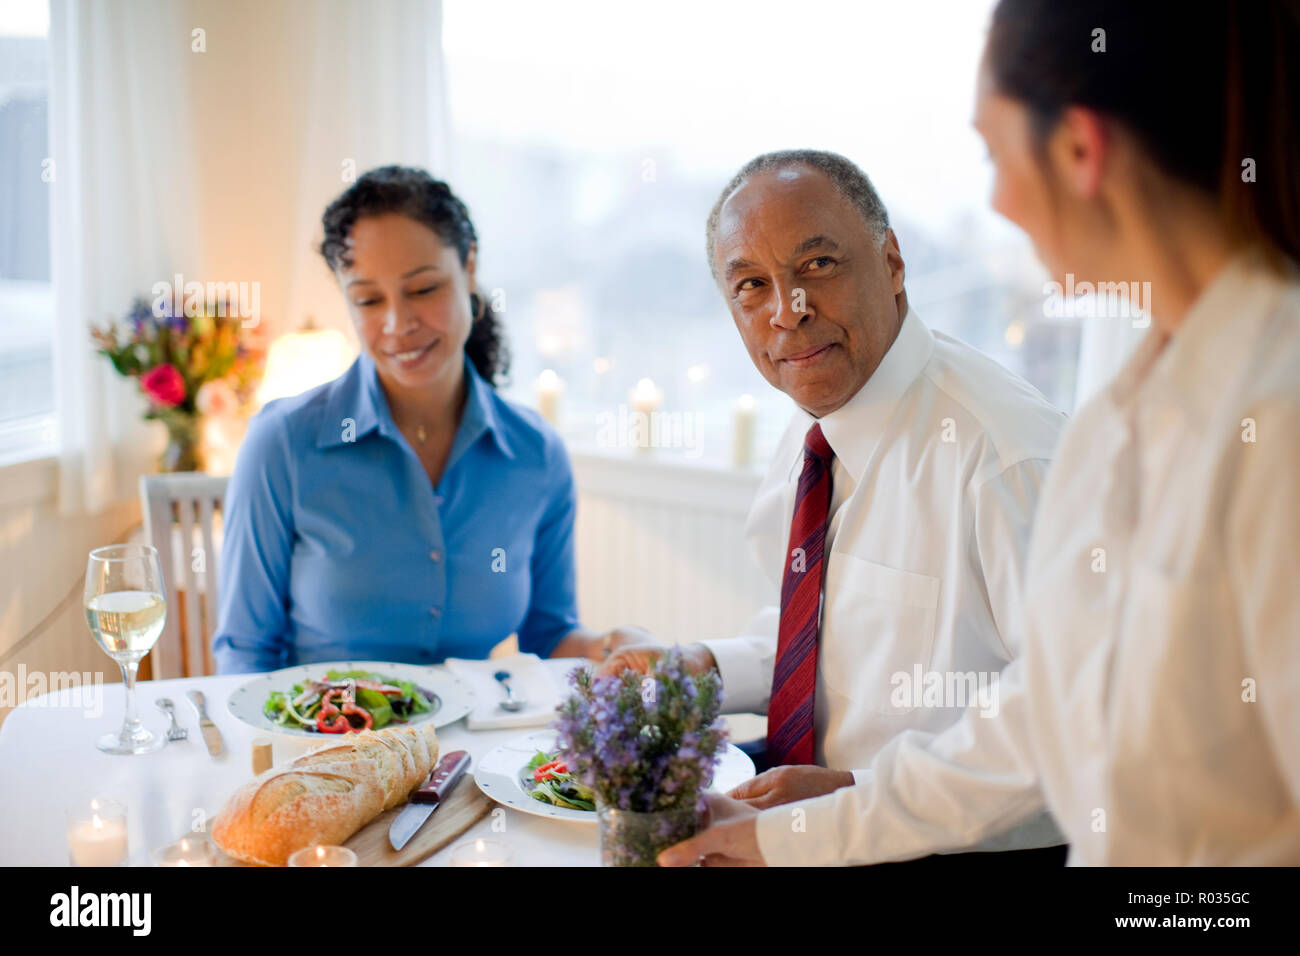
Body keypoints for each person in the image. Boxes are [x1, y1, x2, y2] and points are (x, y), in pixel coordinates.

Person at [660, 0, 1300, 866]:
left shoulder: (1261, 417)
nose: (996, 202)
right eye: (751, 286)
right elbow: (1048, 712)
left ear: (1080, 149)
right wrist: (788, 831)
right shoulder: (1140, 404)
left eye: (993, 153)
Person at [600, 148, 1068, 857]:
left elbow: (1072, 728)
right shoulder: (818, 417)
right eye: (752, 285)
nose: (787, 313)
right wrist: (699, 665)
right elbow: (822, 636)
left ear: (892, 262)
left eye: (817, 266)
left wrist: (853, 797)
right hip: (814, 805)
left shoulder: (1005, 455)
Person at [213, 166, 646, 671]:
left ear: (469, 267)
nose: (398, 324)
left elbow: (549, 635)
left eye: (422, 290)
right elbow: (245, 654)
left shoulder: (535, 452)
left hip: (473, 749)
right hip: (323, 743)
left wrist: (612, 647)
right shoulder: (283, 444)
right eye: (369, 300)